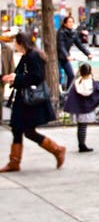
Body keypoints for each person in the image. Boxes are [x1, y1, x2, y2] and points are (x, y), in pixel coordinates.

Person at [0, 31, 66, 172]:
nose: (14, 45)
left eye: (15, 42)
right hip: (24, 99)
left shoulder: (34, 56)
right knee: (17, 129)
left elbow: (37, 77)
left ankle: (57, 149)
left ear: (21, 42)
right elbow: (23, 74)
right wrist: (13, 77)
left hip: (29, 101)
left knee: (28, 131)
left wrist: (16, 79)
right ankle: (14, 162)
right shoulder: (27, 55)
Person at [62, 62, 99, 153]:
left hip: (78, 108)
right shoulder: (91, 83)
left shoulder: (77, 82)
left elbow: (70, 94)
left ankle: (81, 144)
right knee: (83, 126)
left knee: (80, 127)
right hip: (86, 109)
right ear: (90, 72)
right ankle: (82, 145)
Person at [57, 15, 92, 91]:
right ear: (65, 23)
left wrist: (88, 53)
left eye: (72, 21)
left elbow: (79, 45)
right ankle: (58, 93)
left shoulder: (73, 33)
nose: (71, 23)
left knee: (71, 75)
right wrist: (67, 56)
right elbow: (61, 46)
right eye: (69, 22)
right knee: (58, 77)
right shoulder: (61, 32)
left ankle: (68, 93)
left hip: (65, 58)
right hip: (58, 57)